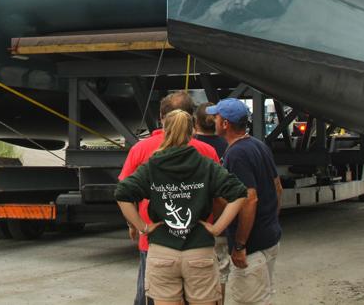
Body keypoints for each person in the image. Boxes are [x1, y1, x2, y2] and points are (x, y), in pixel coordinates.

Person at [115, 110, 248, 305]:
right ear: (193, 132)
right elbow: (239, 193)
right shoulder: (205, 164)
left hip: (163, 252)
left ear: (165, 131)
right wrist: (218, 228)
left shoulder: (153, 165)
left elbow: (122, 193)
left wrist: (142, 227)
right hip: (199, 251)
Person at [208, 98, 283, 305]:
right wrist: (269, 220)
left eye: (216, 117)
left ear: (225, 124)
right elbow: (278, 187)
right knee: (262, 297)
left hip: (252, 247)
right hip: (270, 237)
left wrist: (240, 245)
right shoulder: (259, 145)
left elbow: (249, 200)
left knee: (249, 300)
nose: (213, 120)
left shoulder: (237, 154)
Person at [194, 102, 230, 300]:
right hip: (220, 222)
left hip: (195, 221)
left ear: (195, 122)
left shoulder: (191, 146)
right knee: (220, 273)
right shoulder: (228, 146)